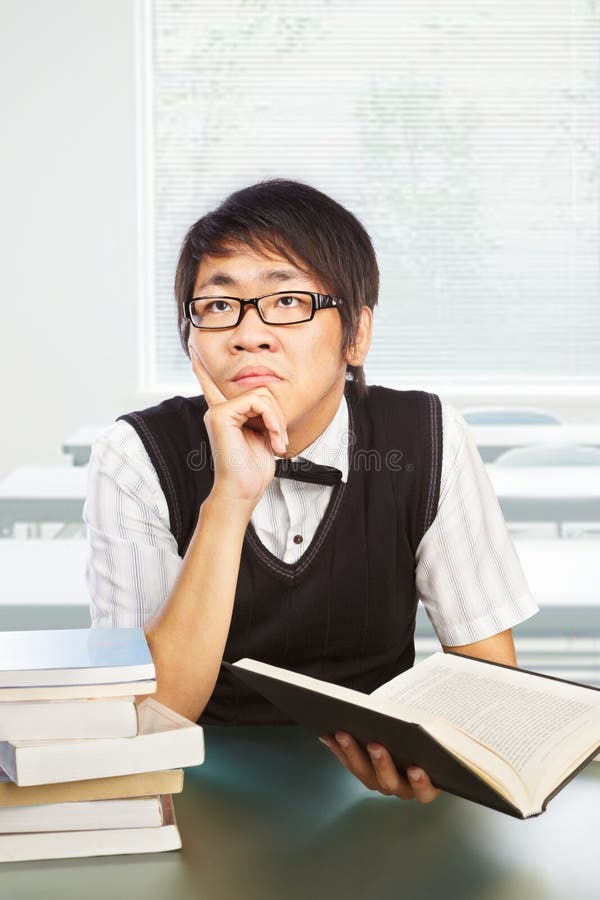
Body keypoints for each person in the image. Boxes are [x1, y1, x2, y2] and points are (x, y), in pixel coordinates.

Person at [84, 178, 538, 805]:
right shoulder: (134, 454)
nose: (249, 333)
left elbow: (491, 690)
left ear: (356, 335)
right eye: (218, 306)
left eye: (288, 300)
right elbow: (149, 719)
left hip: (375, 795)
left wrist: (439, 760)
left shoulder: (429, 436)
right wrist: (230, 498)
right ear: (193, 339)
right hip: (192, 786)